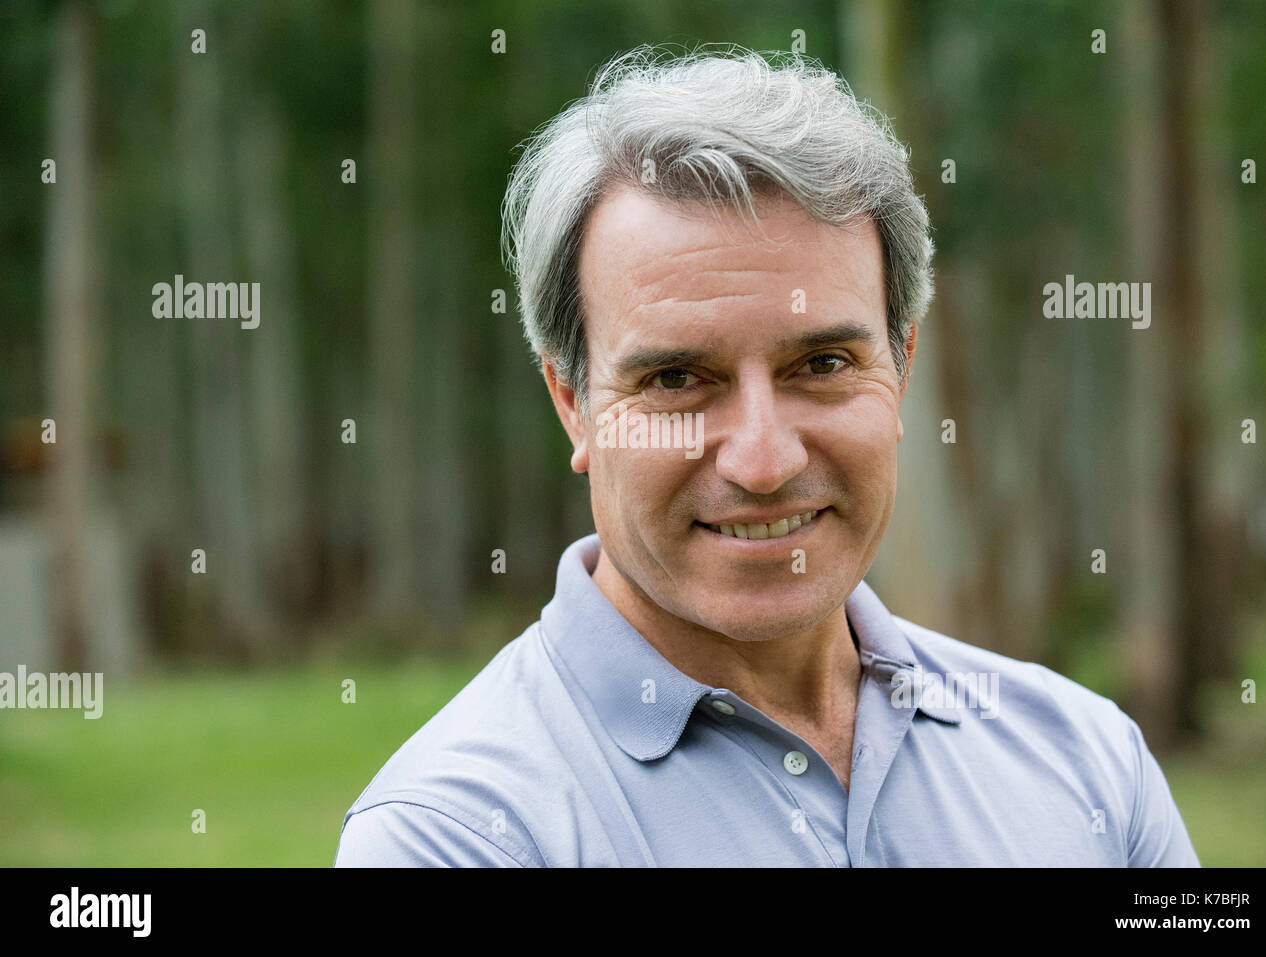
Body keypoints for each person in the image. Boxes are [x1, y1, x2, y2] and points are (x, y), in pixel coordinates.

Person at [335, 44, 1199, 867]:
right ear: (574, 406)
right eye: (676, 378)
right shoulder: (453, 838)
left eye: (821, 365)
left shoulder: (1088, 763)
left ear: (900, 368)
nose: (762, 459)